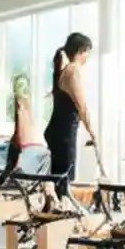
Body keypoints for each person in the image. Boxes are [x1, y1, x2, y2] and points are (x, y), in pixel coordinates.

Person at [45, 32, 103, 208]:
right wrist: (92, 131)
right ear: (81, 51)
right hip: (63, 133)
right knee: (64, 180)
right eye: (87, 53)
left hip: (57, 129)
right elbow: (81, 106)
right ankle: (62, 212)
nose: (87, 58)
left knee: (57, 179)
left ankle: (55, 211)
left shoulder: (64, 71)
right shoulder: (73, 71)